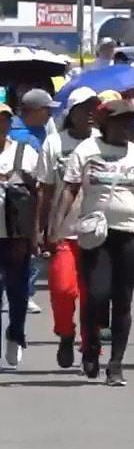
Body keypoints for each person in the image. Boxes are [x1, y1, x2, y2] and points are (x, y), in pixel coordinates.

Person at [55, 99, 134, 385]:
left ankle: (116, 363)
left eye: (130, 121)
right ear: (104, 123)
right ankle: (92, 347)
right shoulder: (87, 150)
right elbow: (70, 190)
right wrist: (55, 226)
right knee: (96, 295)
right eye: (120, 121)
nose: (126, 127)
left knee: (123, 299)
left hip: (133, 232)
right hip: (97, 232)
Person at [37, 88, 99, 368]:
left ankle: (90, 349)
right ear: (70, 113)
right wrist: (40, 229)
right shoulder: (54, 143)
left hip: (98, 232)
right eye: (83, 109)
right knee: (63, 290)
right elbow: (46, 191)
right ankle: (65, 334)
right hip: (63, 229)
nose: (89, 114)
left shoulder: (103, 142)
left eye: (93, 108)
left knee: (93, 294)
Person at [0, 102, 42, 369]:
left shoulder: (25, 153)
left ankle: (16, 333)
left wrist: (36, 232)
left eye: (4, 120)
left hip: (17, 234)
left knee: (17, 291)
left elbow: (40, 193)